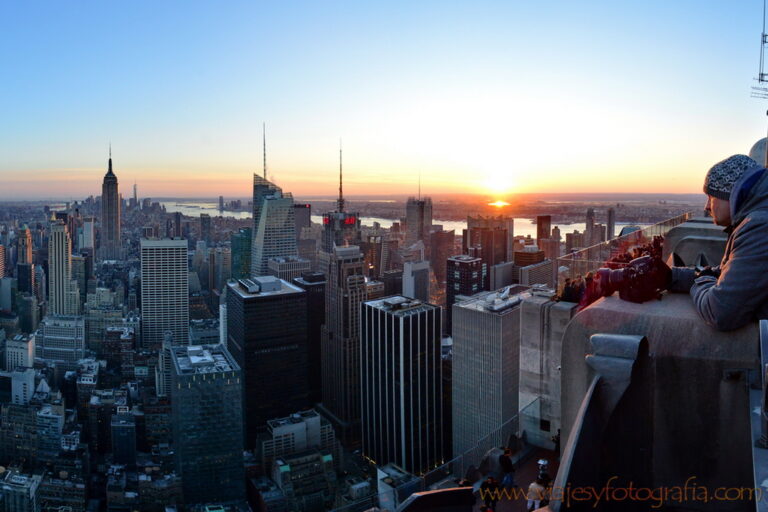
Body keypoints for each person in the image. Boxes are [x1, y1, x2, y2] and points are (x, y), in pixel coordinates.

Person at [669, 154, 768, 331]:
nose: (706, 207)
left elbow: (720, 312)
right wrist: (672, 277)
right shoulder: (756, 221)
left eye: (711, 197)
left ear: (731, 195)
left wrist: (701, 280)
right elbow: (729, 275)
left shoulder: (760, 226)